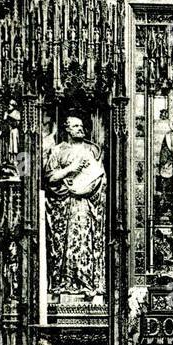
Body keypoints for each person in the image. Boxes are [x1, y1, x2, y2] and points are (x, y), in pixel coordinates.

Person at [44, 116, 106, 298]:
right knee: (63, 244)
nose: (81, 129)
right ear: (67, 129)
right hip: (64, 206)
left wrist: (87, 188)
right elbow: (51, 178)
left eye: (82, 125)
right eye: (76, 126)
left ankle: (86, 282)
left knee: (85, 240)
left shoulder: (92, 150)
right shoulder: (57, 151)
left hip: (86, 203)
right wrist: (72, 169)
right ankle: (64, 283)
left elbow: (100, 178)